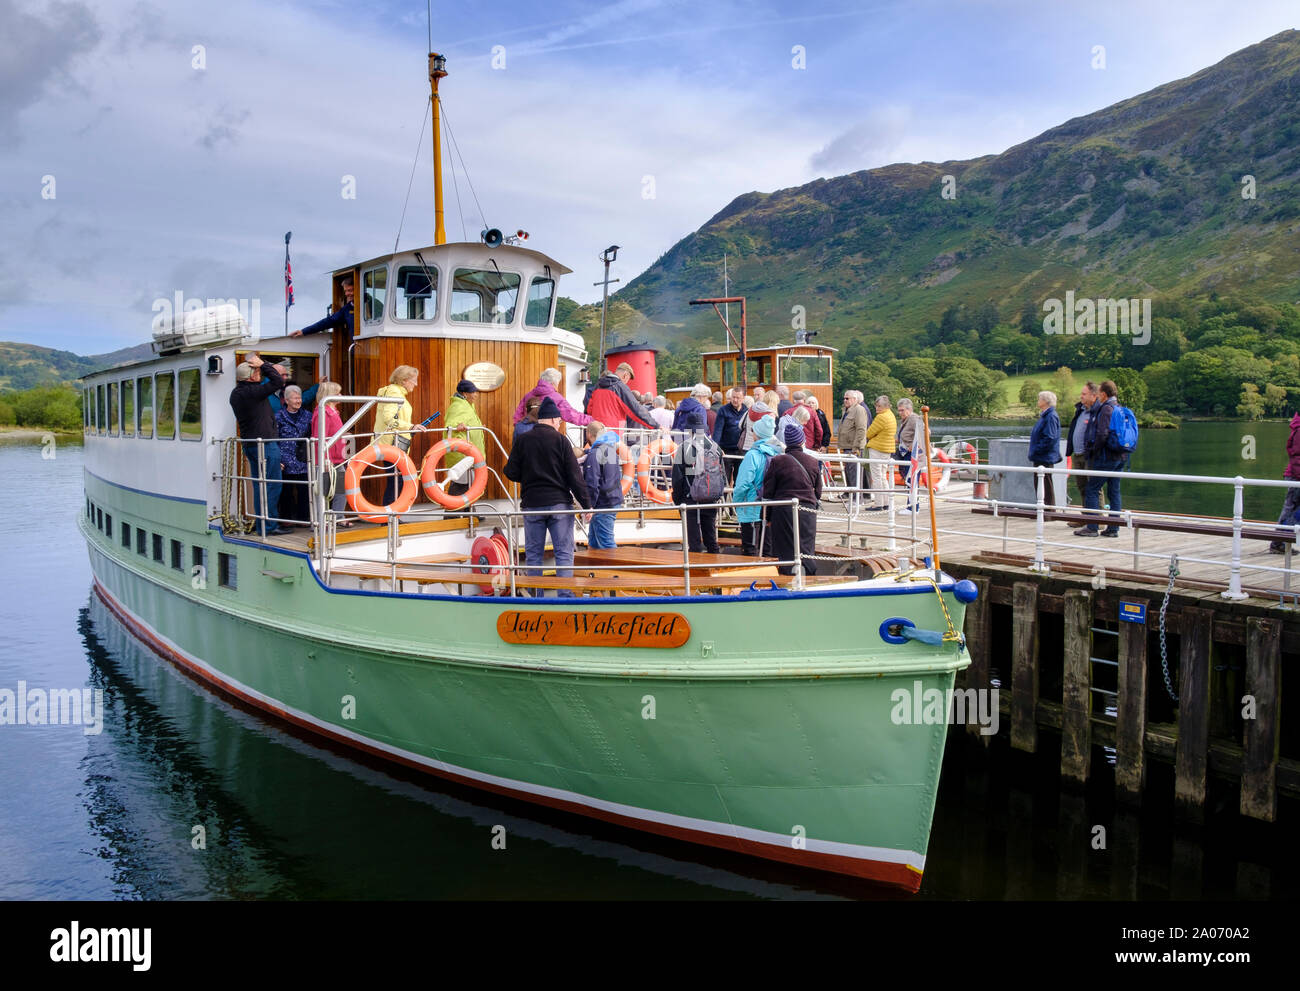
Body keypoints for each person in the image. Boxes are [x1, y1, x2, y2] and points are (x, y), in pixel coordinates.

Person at [503, 396, 592, 596]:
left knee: (534, 555)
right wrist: (587, 505)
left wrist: (528, 475)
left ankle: (536, 599)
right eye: (559, 421)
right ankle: (564, 599)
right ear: (552, 420)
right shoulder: (561, 441)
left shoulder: (524, 440)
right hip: (559, 504)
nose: (560, 424)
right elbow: (574, 476)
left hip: (532, 504)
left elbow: (510, 471)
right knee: (563, 553)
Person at [230, 354, 288, 536]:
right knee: (272, 484)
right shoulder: (252, 392)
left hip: (252, 444)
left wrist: (262, 366)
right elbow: (278, 381)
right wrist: (264, 364)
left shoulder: (237, 393)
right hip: (264, 444)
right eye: (257, 371)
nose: (260, 373)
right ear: (251, 376)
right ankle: (268, 526)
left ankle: (263, 524)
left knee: (260, 484)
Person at [763, 423, 822, 575]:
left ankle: (787, 579)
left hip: (783, 509)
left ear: (787, 442)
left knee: (785, 549)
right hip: (807, 509)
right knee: (807, 548)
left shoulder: (778, 461)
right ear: (802, 441)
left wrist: (767, 516)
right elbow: (819, 491)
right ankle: (809, 578)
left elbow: (768, 492)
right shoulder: (813, 461)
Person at [1075, 380, 1126, 537]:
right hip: (1120, 456)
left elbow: (1102, 433)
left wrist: (1093, 451)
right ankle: (1113, 528)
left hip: (1106, 457)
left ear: (1103, 394)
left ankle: (1092, 526)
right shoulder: (1120, 408)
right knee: (1114, 491)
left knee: (1092, 488)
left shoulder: (1106, 409)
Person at [373, 365, 426, 505]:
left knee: (396, 480)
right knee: (397, 480)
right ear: (404, 380)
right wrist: (410, 427)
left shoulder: (394, 392)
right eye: (414, 380)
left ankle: (391, 517)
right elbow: (388, 418)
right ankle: (389, 518)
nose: (416, 384)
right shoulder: (395, 393)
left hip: (390, 442)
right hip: (391, 444)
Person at [733, 414, 782, 556]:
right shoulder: (777, 453)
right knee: (767, 549)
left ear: (758, 434)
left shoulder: (752, 455)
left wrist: (736, 502)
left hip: (752, 507)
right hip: (770, 507)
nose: (752, 432)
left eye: (754, 430)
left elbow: (743, 483)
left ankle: (752, 577)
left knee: (750, 549)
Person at [309, 381, 354, 528]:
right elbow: (319, 438)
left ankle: (338, 517)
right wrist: (325, 460)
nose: (341, 395)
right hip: (327, 459)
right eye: (337, 393)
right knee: (322, 491)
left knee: (341, 488)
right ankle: (321, 521)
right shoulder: (322, 413)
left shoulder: (334, 411)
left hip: (337, 458)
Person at [671, 431, 724, 555]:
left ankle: (694, 571)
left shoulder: (684, 447)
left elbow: (677, 478)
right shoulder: (716, 447)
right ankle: (715, 568)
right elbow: (722, 475)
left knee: (694, 543)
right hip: (711, 498)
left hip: (690, 498)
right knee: (711, 539)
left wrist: (678, 500)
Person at [275, 385, 313, 525]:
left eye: (300, 398)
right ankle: (287, 520)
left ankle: (303, 519)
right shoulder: (278, 417)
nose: (299, 401)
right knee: (286, 492)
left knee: (305, 491)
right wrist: (278, 459)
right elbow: (274, 439)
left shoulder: (308, 416)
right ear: (287, 400)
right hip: (285, 461)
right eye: (295, 398)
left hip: (303, 459)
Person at [581, 420, 623, 549]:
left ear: (589, 434)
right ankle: (595, 568)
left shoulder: (594, 454)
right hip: (613, 500)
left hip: (603, 504)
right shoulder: (609, 450)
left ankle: (616, 569)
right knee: (593, 541)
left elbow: (593, 482)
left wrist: (590, 506)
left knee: (606, 543)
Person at [586, 361, 656, 435]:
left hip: (595, 432)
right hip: (612, 433)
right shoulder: (621, 387)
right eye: (627, 379)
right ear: (625, 375)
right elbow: (636, 410)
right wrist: (655, 426)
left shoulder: (597, 386)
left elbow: (589, 409)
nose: (626, 382)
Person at [444, 379, 485, 499]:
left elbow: (466, 421)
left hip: (469, 452)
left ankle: (470, 511)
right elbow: (451, 424)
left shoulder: (468, 405)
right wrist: (458, 426)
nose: (476, 395)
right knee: (460, 483)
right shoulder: (458, 405)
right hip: (462, 454)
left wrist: (477, 427)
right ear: (465, 394)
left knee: (470, 483)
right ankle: (451, 513)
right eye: (473, 392)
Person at [513, 368, 591, 427]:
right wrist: (591, 420)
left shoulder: (528, 395)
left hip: (526, 438)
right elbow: (572, 415)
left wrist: (520, 429)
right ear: (554, 383)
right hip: (545, 436)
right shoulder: (557, 398)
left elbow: (517, 416)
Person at [291, 276, 354, 346]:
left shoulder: (367, 304)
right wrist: (303, 331)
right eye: (345, 291)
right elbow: (327, 322)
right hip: (355, 351)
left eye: (350, 290)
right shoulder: (347, 309)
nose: (347, 294)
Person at [1269, 409, 1300, 552]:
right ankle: (1279, 541)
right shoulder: (1299, 430)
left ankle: (1280, 541)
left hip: (1295, 475)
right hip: (1296, 476)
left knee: (1291, 510)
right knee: (1292, 511)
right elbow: (1296, 457)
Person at [1064, 382, 1098, 511]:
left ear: (1093, 396)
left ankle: (1097, 519)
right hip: (1077, 454)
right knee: (1082, 487)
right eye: (1081, 394)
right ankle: (1085, 516)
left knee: (1094, 488)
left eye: (1084, 394)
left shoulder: (1097, 411)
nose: (1081, 396)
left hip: (1089, 455)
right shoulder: (1081, 410)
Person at [1028, 390, 1062, 508]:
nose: (1038, 401)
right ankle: (1043, 510)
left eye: (1039, 399)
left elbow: (1050, 437)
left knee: (1045, 484)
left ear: (1045, 401)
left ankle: (1048, 512)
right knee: (1041, 484)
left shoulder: (1051, 416)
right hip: (1041, 456)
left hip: (1044, 457)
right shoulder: (1046, 415)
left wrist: (1037, 449)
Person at [864, 395, 897, 510]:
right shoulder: (891, 415)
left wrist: (873, 435)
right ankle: (886, 502)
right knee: (883, 476)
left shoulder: (881, 417)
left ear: (885, 406)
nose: (877, 409)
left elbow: (869, 433)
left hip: (877, 449)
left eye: (879, 406)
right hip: (887, 450)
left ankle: (878, 503)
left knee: (877, 476)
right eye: (876, 406)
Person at [711, 387, 747, 487]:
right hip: (726, 450)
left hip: (741, 450)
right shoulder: (723, 410)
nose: (735, 400)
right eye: (733, 397)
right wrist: (716, 449)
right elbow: (717, 431)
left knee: (739, 479)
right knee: (725, 479)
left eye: (738, 398)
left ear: (743, 398)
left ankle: (736, 501)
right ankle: (724, 500)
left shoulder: (747, 411)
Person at [839, 390, 868, 510]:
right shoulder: (846, 410)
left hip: (854, 448)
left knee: (855, 474)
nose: (845, 400)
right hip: (847, 447)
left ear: (855, 399)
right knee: (849, 473)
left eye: (847, 398)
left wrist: (856, 447)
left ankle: (858, 499)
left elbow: (861, 429)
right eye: (844, 398)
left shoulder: (859, 410)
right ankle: (853, 498)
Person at [895, 398, 921, 512]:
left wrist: (915, 445)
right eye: (899, 410)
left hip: (912, 454)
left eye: (902, 410)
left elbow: (925, 432)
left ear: (909, 409)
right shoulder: (907, 419)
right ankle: (911, 506)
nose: (900, 413)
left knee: (912, 480)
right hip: (905, 453)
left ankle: (913, 507)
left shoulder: (914, 418)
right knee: (909, 480)